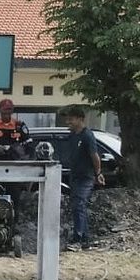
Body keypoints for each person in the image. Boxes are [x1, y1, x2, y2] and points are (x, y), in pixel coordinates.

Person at [59, 105, 104, 248]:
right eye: (67, 119)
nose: (68, 122)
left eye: (71, 119)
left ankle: (78, 238)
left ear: (80, 119)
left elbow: (95, 156)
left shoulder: (87, 135)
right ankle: (84, 239)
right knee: (78, 206)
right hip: (74, 176)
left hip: (86, 177)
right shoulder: (72, 135)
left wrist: (98, 173)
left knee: (79, 204)